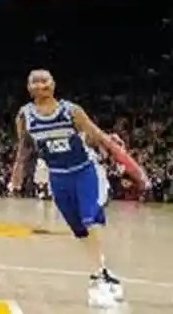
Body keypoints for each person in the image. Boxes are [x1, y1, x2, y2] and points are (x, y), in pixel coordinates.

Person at [9, 69, 125, 308]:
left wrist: (111, 145)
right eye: (35, 81)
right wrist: (17, 175)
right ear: (28, 87)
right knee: (80, 230)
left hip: (84, 171)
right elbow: (25, 148)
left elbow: (95, 133)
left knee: (90, 219)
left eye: (45, 80)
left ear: (53, 84)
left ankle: (97, 280)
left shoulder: (71, 110)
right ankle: (103, 271)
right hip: (58, 177)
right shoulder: (25, 116)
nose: (41, 84)